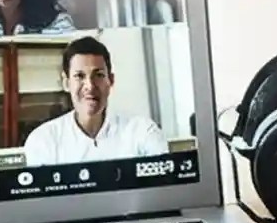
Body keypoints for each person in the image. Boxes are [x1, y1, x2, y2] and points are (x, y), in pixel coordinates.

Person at [22, 36, 169, 166]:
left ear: (110, 80)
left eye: (98, 75)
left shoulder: (142, 131)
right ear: (66, 83)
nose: (90, 86)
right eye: (79, 76)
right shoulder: (43, 140)